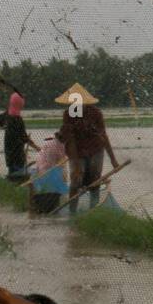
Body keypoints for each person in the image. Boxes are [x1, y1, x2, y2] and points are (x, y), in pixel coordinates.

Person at [54, 82, 119, 214]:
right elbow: (71, 141)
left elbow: (103, 135)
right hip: (76, 151)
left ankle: (92, 211)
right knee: (75, 181)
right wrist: (77, 165)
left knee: (95, 181)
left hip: (95, 150)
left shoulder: (95, 113)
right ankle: (72, 212)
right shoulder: (68, 115)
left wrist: (113, 160)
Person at [0, 91, 38, 182]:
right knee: (19, 175)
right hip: (18, 153)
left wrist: (5, 125)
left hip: (9, 153)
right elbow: (25, 138)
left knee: (12, 171)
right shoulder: (18, 120)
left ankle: (11, 184)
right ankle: (16, 185)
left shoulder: (7, 116)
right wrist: (38, 148)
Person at [29, 131, 69, 214]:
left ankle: (39, 206)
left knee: (44, 190)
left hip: (39, 170)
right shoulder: (61, 146)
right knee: (58, 186)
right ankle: (56, 205)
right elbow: (62, 164)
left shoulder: (49, 142)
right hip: (48, 171)